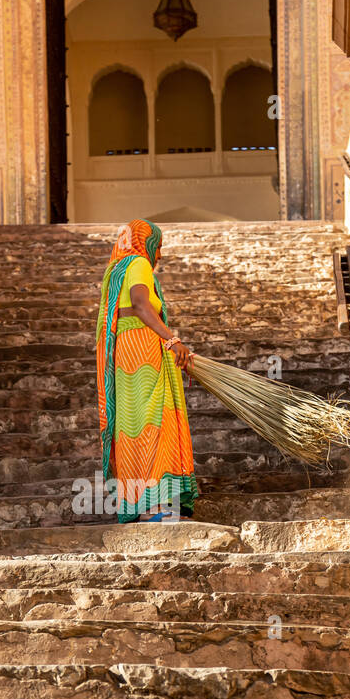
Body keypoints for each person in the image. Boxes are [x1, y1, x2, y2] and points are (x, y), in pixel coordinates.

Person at [96, 219, 199, 523]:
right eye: (159, 246)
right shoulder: (139, 262)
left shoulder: (116, 268)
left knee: (132, 427)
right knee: (156, 423)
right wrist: (172, 338)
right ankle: (156, 507)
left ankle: (141, 504)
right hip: (143, 349)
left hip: (124, 353)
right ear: (146, 243)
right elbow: (142, 305)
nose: (160, 254)